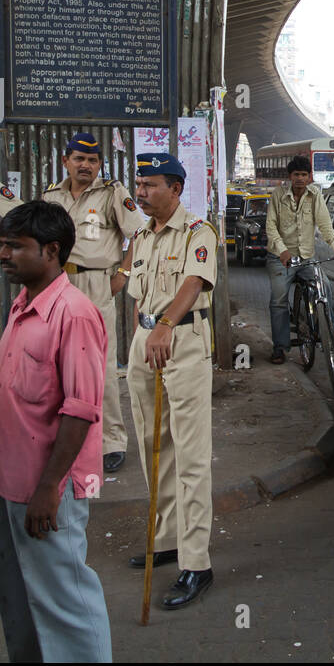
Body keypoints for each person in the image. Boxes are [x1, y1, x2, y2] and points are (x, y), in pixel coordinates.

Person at [0, 201, 112, 662]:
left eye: (15, 246)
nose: (2, 255)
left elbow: (80, 409)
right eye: (2, 245)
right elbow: (4, 403)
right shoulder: (22, 304)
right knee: (18, 598)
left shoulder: (74, 313)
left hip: (46, 486)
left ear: (51, 250)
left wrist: (49, 487)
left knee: (64, 602)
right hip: (3, 481)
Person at [123, 153, 219, 610]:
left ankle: (197, 562)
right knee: (151, 443)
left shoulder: (199, 231)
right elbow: (131, 284)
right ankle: (165, 540)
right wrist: (145, 329)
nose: (140, 192)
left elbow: (193, 284)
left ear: (176, 188)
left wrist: (164, 324)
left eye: (150, 184)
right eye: (138, 184)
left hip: (181, 340)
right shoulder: (142, 235)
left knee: (191, 453)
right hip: (145, 340)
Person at [43, 132, 145, 473]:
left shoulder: (112, 193)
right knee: (59, 364)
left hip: (97, 283)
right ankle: (66, 438)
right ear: (65, 161)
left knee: (99, 366)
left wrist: (124, 275)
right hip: (57, 283)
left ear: (99, 164)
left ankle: (111, 441)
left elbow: (140, 234)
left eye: (92, 160)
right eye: (79, 159)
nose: (85, 166)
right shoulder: (50, 196)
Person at [264, 155, 334, 364]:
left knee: (325, 287)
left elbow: (325, 224)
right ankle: (280, 348)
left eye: (303, 175)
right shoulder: (278, 195)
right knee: (278, 300)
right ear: (290, 176)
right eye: (296, 175)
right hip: (280, 257)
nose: (300, 178)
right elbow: (271, 227)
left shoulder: (315, 195)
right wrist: (282, 250)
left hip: (307, 257)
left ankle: (331, 328)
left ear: (309, 177)